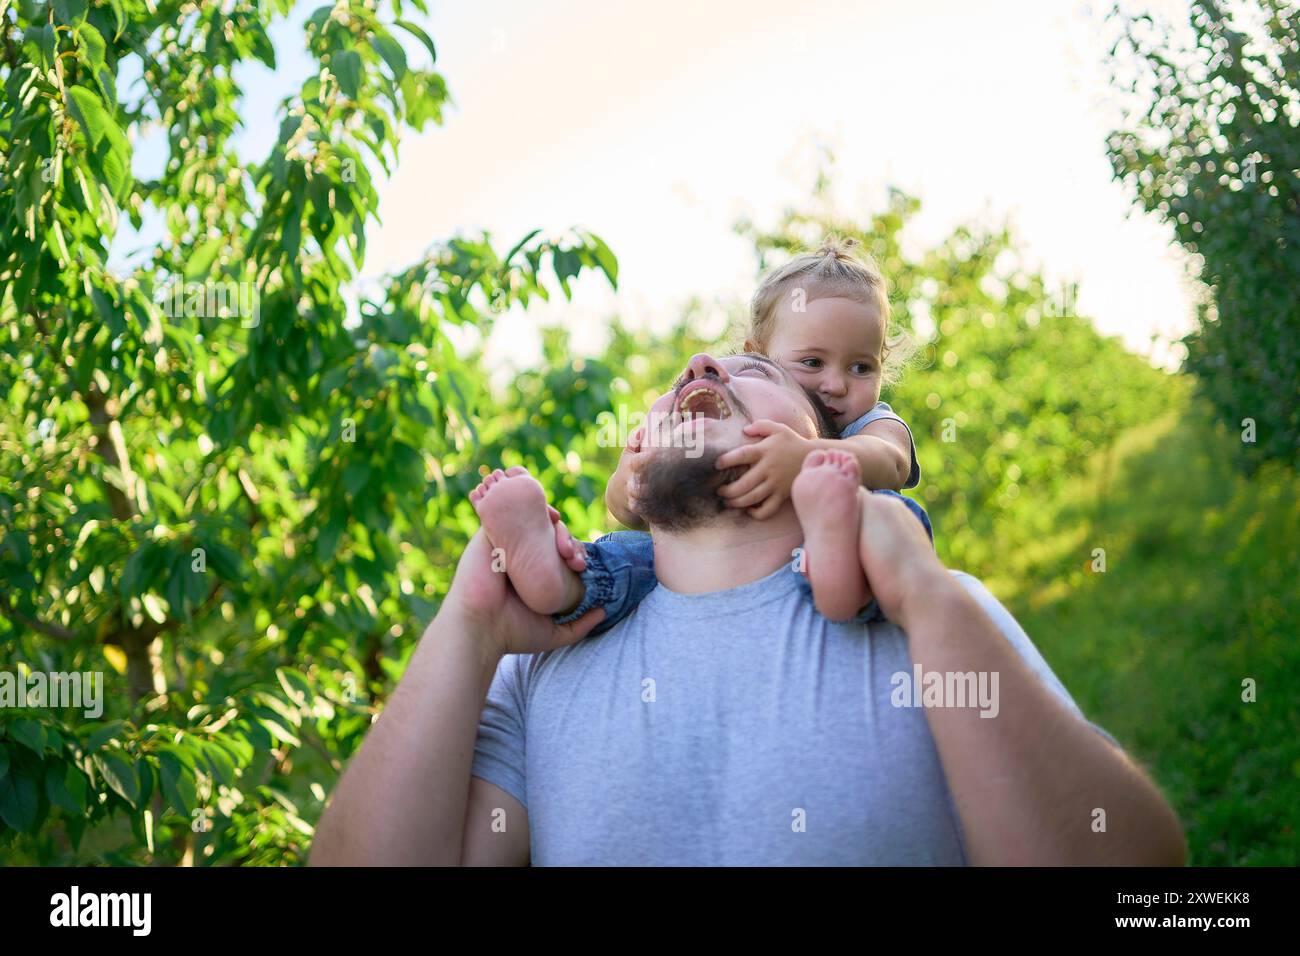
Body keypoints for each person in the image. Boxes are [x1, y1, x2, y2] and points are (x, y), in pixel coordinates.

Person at [310, 351, 1187, 866]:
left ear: (821, 449)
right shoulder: (541, 667)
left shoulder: (927, 623)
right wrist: (466, 625)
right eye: (677, 384)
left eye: (756, 371)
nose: (701, 368)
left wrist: (925, 590)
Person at [471, 238, 931, 630]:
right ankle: (562, 581)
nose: (835, 383)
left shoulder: (868, 422)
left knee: (891, 512)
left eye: (861, 367)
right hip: (705, 552)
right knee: (632, 550)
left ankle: (842, 579)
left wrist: (809, 456)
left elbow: (889, 462)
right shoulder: (711, 416)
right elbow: (626, 509)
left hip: (834, 543)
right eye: (812, 362)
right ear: (761, 354)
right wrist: (631, 474)